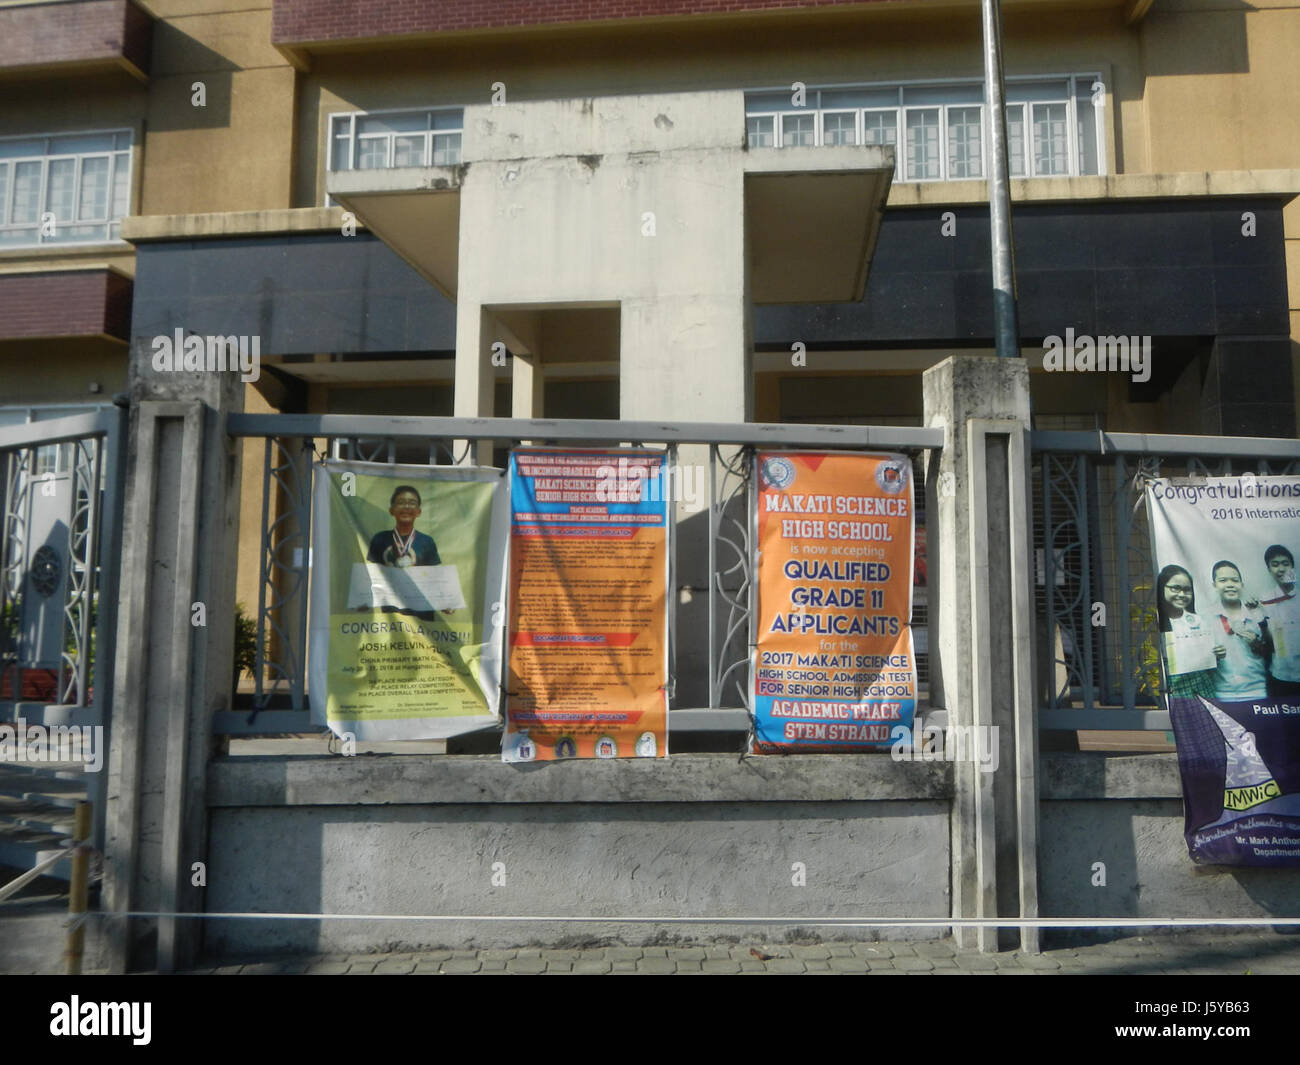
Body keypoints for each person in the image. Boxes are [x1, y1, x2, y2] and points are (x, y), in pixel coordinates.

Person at [1208, 560, 1270, 702]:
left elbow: (1272, 652)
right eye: (1223, 580)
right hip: (1223, 693)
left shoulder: (1257, 614)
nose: (1230, 584)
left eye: (1234, 580)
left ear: (1241, 584)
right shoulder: (1206, 618)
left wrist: (1256, 643)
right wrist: (1213, 656)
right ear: (1214, 585)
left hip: (1258, 690)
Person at [1154, 564, 1217, 699]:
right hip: (1173, 696)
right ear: (1161, 588)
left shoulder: (1199, 621)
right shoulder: (1152, 624)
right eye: (1175, 588)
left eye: (1187, 590)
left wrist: (1217, 654)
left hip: (1204, 693)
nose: (1182, 594)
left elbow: (1208, 663)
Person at [1259, 544, 1300, 697]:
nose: (1281, 569)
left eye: (1285, 563)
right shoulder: (1264, 601)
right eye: (1275, 565)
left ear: (1293, 567)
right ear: (1269, 570)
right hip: (1280, 676)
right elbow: (1268, 642)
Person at [367, 485, 441, 568]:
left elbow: (434, 574)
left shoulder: (427, 542)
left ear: (418, 511)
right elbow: (371, 571)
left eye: (412, 503)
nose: (406, 507)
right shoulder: (379, 539)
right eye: (400, 503)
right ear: (391, 510)